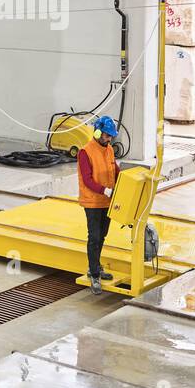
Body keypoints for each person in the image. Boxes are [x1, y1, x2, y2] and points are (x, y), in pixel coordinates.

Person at [77, 116, 119, 294]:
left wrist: (123, 180)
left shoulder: (109, 149)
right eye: (107, 135)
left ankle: (96, 266)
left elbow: (114, 169)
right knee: (94, 237)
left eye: (111, 136)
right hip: (93, 201)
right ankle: (94, 273)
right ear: (97, 132)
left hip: (106, 201)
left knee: (102, 235)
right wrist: (105, 190)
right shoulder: (85, 152)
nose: (109, 139)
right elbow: (87, 179)